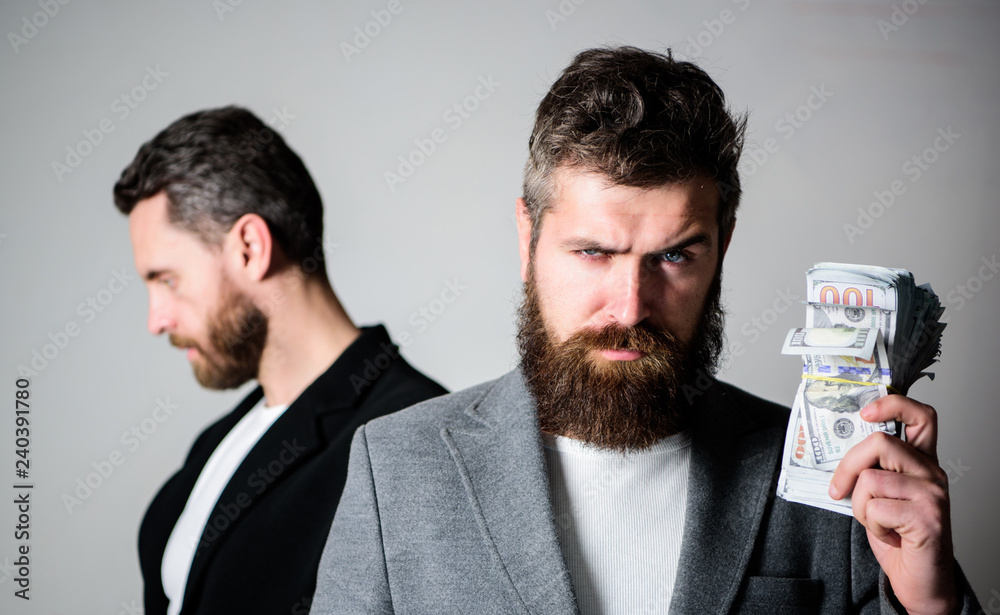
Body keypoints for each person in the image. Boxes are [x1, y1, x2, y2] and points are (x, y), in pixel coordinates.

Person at [309, 47, 980, 614]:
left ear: (724, 245)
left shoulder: (831, 480)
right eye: (593, 251)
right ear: (527, 237)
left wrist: (932, 601)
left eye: (675, 255)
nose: (631, 307)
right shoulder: (394, 466)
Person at [113, 106, 446, 615]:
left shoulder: (415, 438)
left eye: (167, 279)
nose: (156, 319)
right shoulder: (221, 440)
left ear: (249, 247)